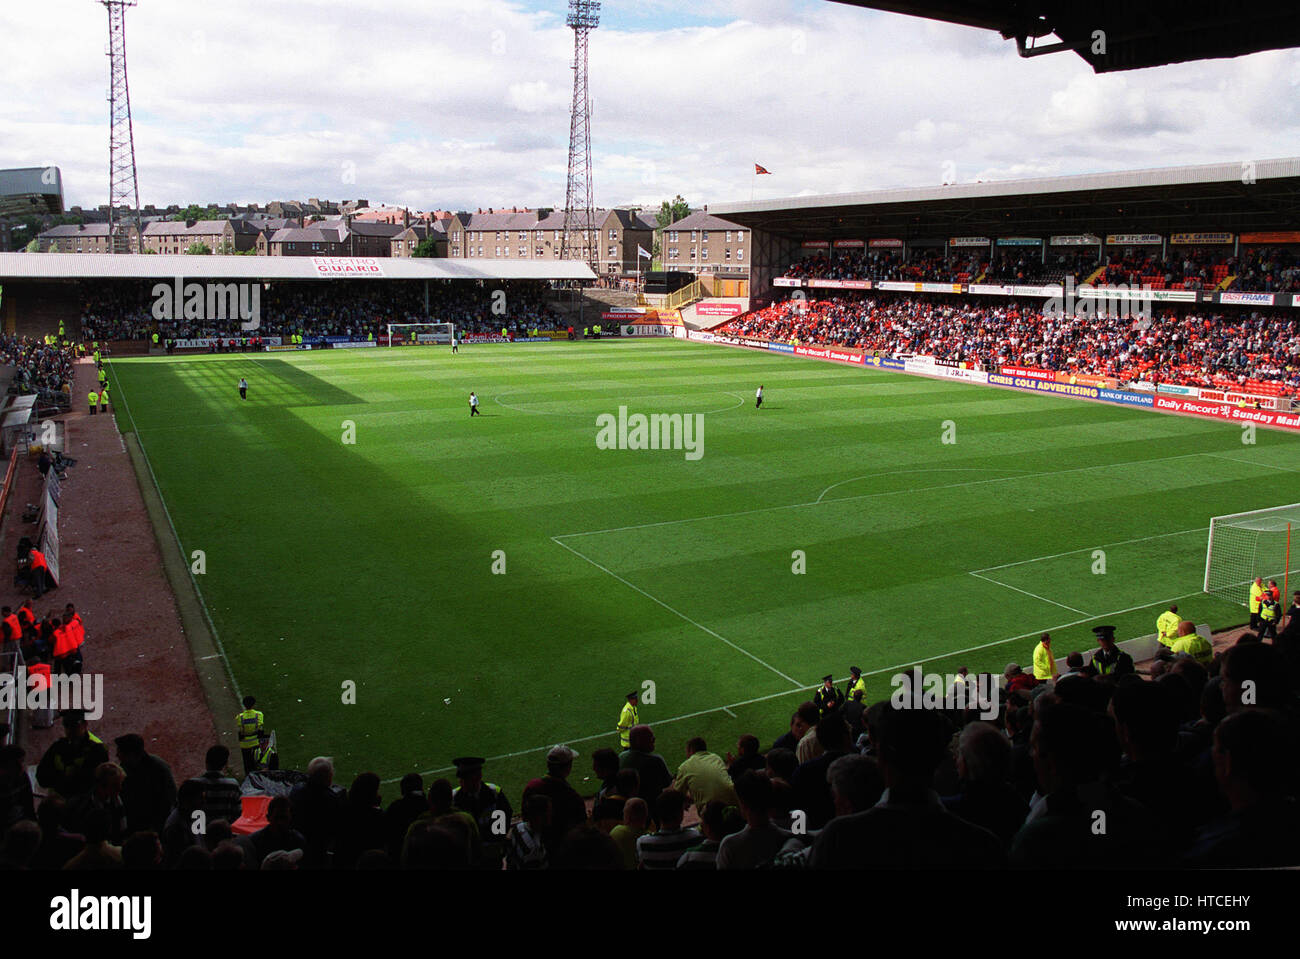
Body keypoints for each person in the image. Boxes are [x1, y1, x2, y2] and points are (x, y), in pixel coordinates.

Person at [236, 696, 265, 777]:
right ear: (253, 704)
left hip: (244, 744)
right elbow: (260, 728)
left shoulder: (240, 717)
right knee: (257, 763)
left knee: (247, 763)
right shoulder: (259, 715)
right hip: (256, 743)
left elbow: (240, 731)